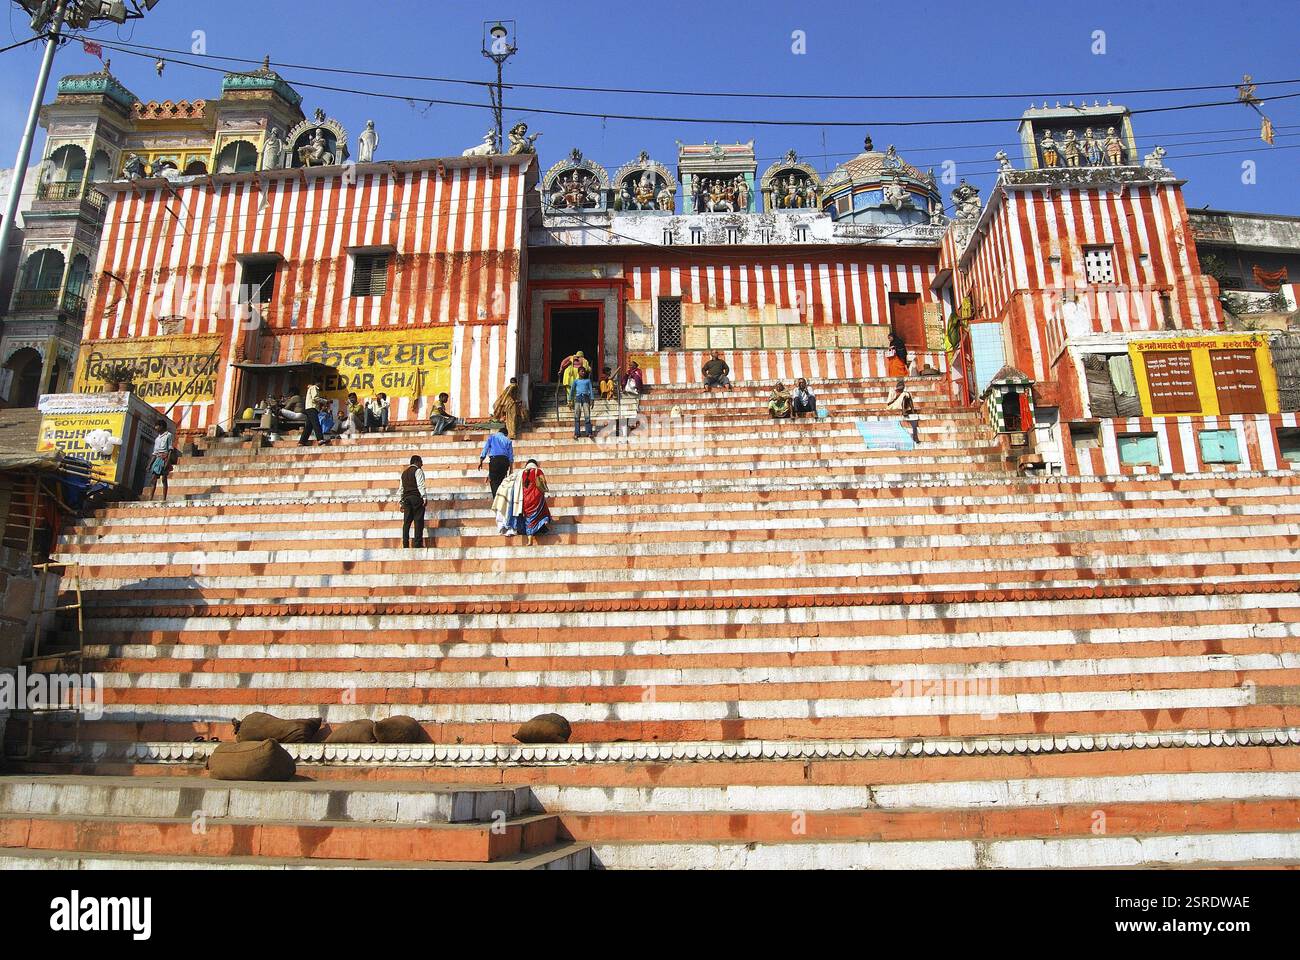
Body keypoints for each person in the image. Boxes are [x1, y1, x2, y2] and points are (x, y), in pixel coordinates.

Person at [509, 458, 551, 546]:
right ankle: (543, 524)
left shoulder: (521, 473)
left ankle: (530, 539)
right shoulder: (538, 471)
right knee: (542, 511)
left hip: (525, 500)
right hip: (537, 498)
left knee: (529, 519)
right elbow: (543, 482)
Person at [397, 454, 428, 548]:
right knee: (418, 521)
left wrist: (400, 502)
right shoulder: (418, 471)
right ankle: (417, 544)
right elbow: (420, 485)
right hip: (416, 498)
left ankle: (405, 543)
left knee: (406, 523)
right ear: (416, 462)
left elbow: (401, 489)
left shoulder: (404, 473)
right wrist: (424, 497)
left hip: (406, 499)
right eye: (421, 462)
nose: (422, 464)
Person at [479, 426, 514, 497]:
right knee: (501, 481)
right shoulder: (508, 440)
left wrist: (481, 460)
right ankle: (501, 500)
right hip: (505, 461)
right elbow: (511, 456)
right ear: (506, 434)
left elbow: (485, 449)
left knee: (494, 482)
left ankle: (496, 500)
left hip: (494, 460)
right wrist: (511, 469)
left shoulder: (492, 437)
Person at [145, 421, 175, 501]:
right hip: (158, 458)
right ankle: (150, 498)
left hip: (165, 458)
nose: (156, 428)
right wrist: (149, 465)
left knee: (164, 479)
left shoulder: (168, 435)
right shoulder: (157, 439)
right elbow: (154, 453)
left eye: (157, 426)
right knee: (153, 479)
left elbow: (170, 450)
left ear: (161, 426)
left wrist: (167, 462)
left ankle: (164, 498)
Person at [298, 380, 327, 445]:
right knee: (316, 423)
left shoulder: (311, 388)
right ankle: (320, 439)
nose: (321, 385)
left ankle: (302, 442)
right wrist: (325, 401)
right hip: (312, 408)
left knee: (309, 426)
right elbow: (315, 398)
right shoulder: (314, 388)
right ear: (318, 382)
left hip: (309, 408)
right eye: (321, 383)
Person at [572, 368, 595, 439]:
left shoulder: (588, 381)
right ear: (578, 372)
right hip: (578, 398)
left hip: (586, 397)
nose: (583, 372)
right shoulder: (576, 381)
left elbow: (591, 390)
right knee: (577, 416)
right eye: (581, 371)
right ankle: (577, 433)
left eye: (584, 371)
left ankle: (589, 433)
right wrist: (569, 400)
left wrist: (592, 399)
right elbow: (572, 391)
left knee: (587, 416)